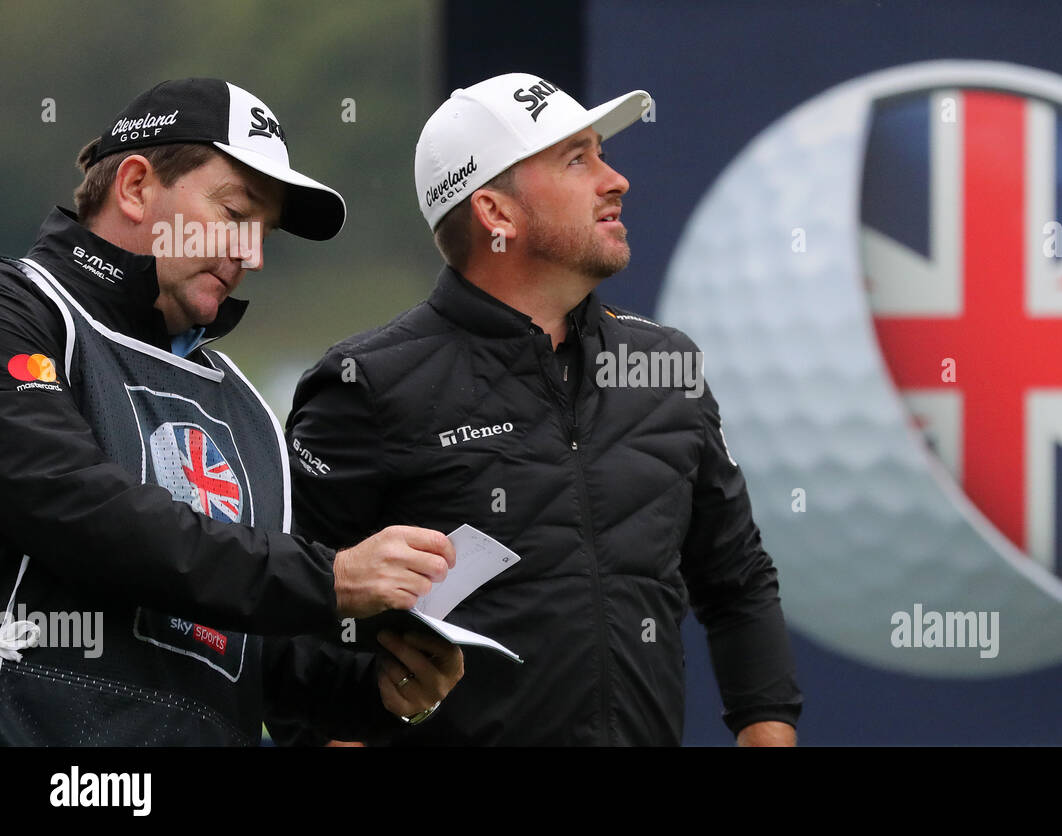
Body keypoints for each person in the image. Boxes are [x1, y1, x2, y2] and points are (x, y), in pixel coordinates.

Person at [284, 73, 802, 745]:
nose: (615, 180)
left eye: (601, 154)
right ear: (497, 215)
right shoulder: (363, 386)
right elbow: (304, 630)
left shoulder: (665, 365)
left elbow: (738, 583)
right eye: (577, 160)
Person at [0, 78, 460, 745]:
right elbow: (73, 506)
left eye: (264, 232)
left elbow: (251, 652)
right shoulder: (24, 310)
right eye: (236, 214)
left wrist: (376, 690)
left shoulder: (246, 410)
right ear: (134, 186)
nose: (254, 256)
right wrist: (328, 578)